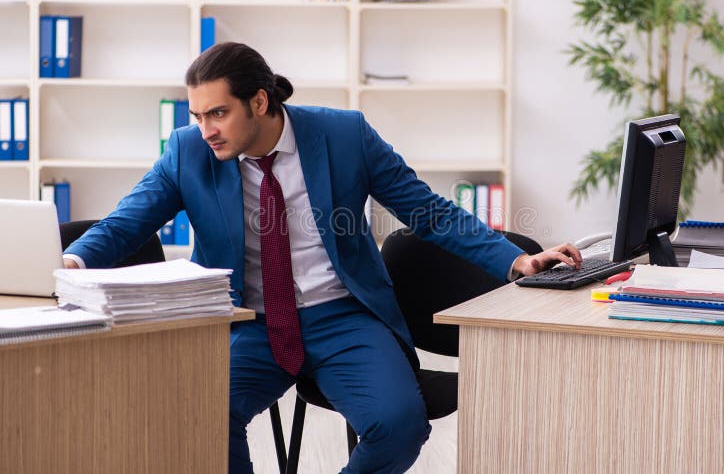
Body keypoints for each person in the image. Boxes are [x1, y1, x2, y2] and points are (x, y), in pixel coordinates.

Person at [63, 42, 582, 473]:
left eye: (218, 113)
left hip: (344, 317)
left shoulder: (344, 135)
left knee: (399, 425)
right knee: (199, 411)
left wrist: (513, 261)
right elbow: (124, 223)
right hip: (248, 322)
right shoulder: (187, 152)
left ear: (260, 102)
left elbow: (428, 211)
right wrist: (74, 263)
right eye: (197, 115)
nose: (206, 130)